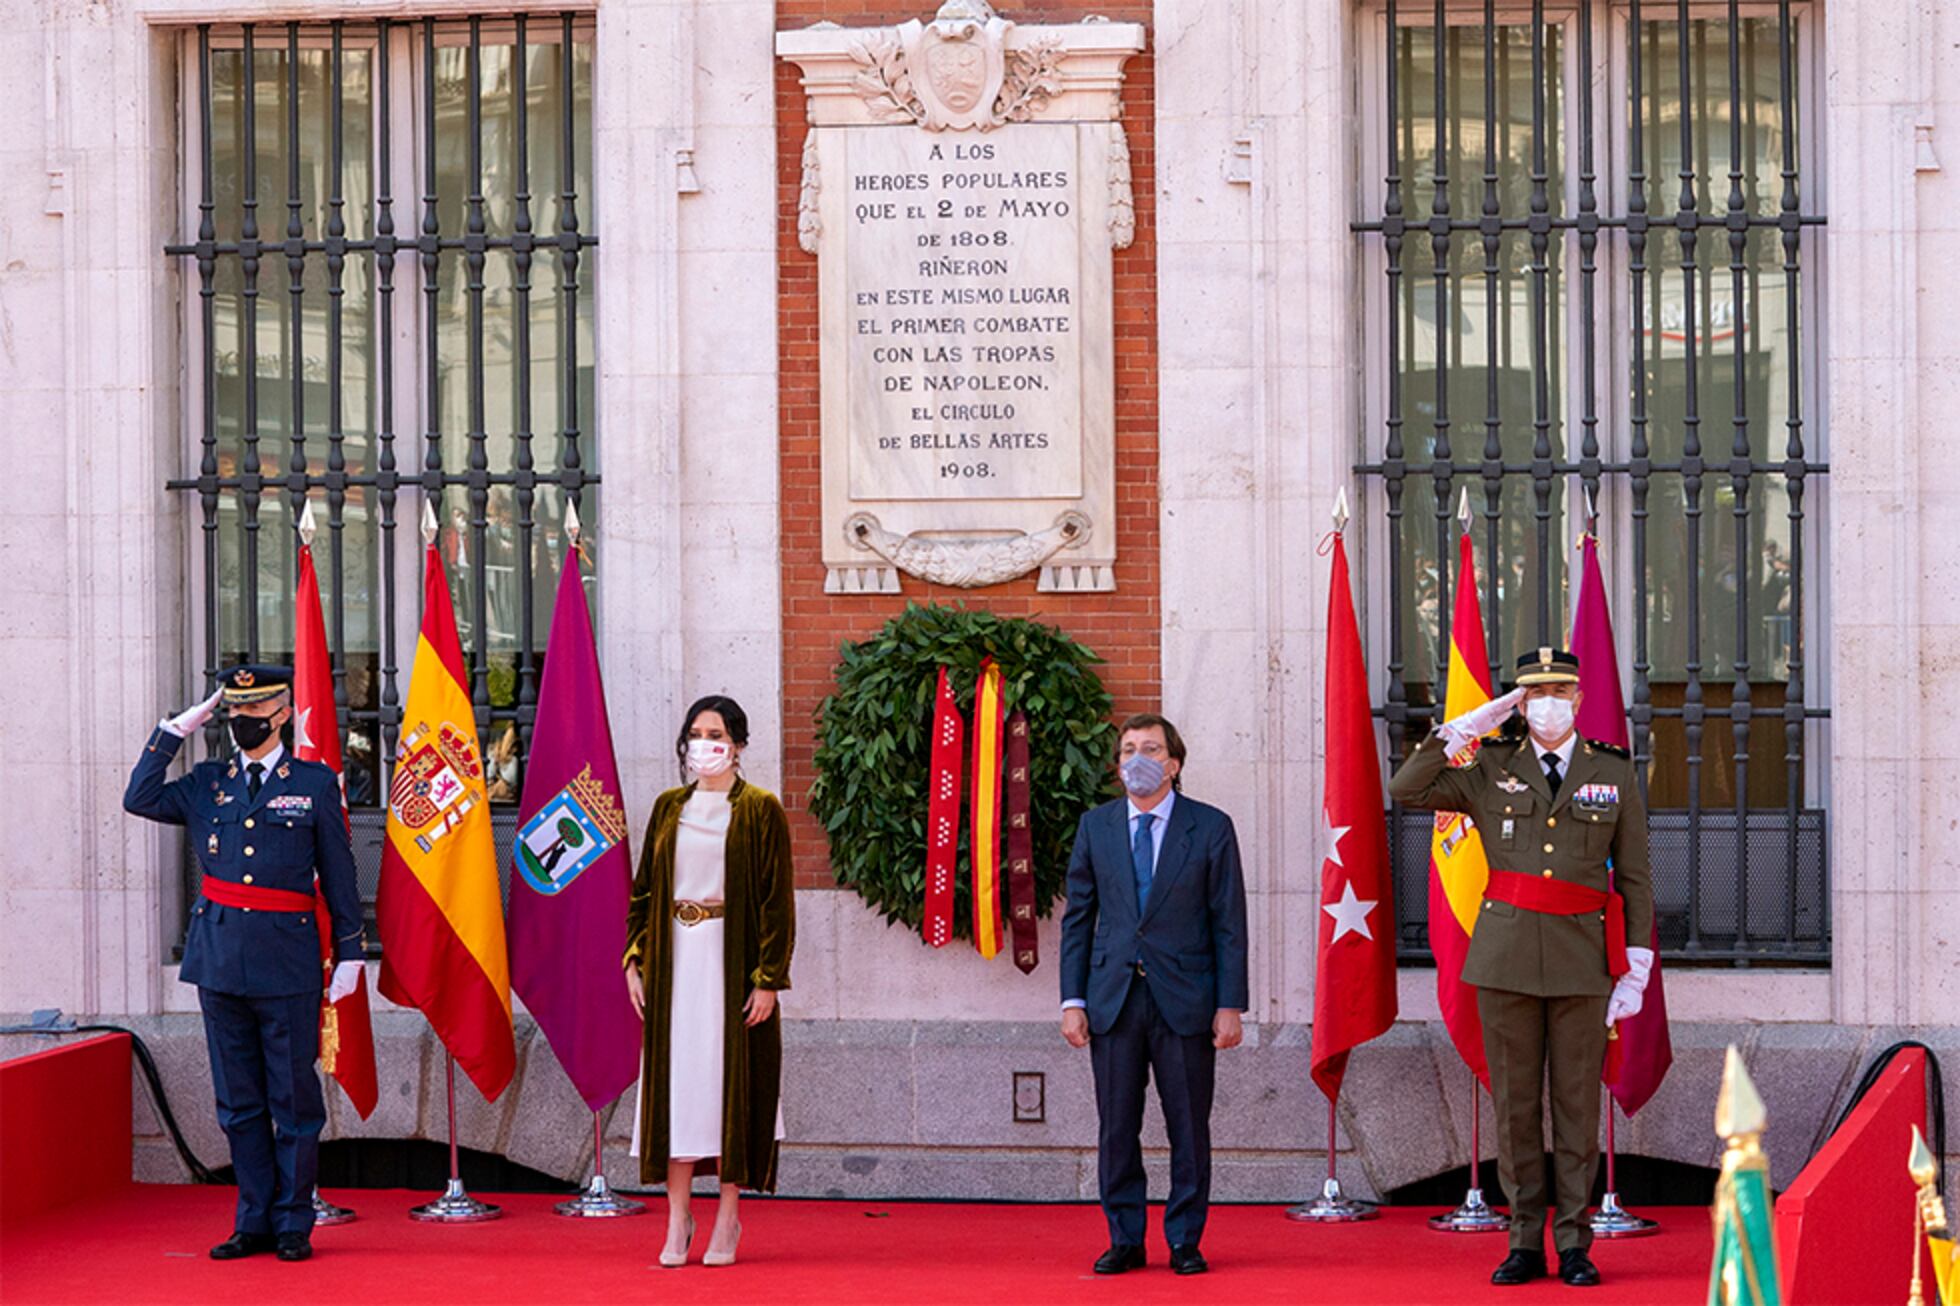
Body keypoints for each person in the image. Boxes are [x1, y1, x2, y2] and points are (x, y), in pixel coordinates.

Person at [1388, 647, 1656, 1288]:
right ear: (1520, 702)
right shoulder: (1490, 766)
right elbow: (1407, 789)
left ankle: (1574, 1244)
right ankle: (1523, 1243)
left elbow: (1638, 877)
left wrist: (1637, 964)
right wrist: (1466, 729)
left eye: (1559, 690)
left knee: (1573, 1109)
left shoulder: (1612, 772)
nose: (1547, 703)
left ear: (1579, 700)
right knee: (1513, 1109)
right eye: (1534, 693)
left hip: (1581, 960)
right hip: (1505, 958)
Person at [122, 664, 364, 1263]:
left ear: (282, 713)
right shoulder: (208, 783)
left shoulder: (311, 784)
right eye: (233, 714)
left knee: (293, 1099)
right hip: (221, 958)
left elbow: (338, 872)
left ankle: (292, 1223)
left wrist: (353, 951)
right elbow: (139, 797)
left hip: (288, 960)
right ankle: (252, 1219)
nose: (242, 724)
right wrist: (176, 729)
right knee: (238, 1102)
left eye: (253, 714)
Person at [1058, 713, 1249, 1277]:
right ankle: (1125, 1237)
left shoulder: (1211, 827)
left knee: (1188, 1124)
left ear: (1173, 764)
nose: (1136, 757)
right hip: (1112, 998)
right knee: (1117, 1125)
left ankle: (1186, 1239)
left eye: (1150, 748)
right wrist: (1073, 1000)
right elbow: (1079, 920)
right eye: (1127, 749)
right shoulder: (1096, 827)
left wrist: (1230, 1003)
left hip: (1187, 999)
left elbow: (1228, 923)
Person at [623, 695, 794, 1269]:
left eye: (716, 733)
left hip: (731, 962)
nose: (705, 743)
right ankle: (677, 1215)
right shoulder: (669, 807)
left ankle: (727, 1212)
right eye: (695, 733)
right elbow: (643, 891)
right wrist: (634, 960)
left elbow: (776, 904)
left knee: (729, 1088)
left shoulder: (761, 809)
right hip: (675, 963)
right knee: (677, 1090)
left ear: (738, 744)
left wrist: (768, 980)